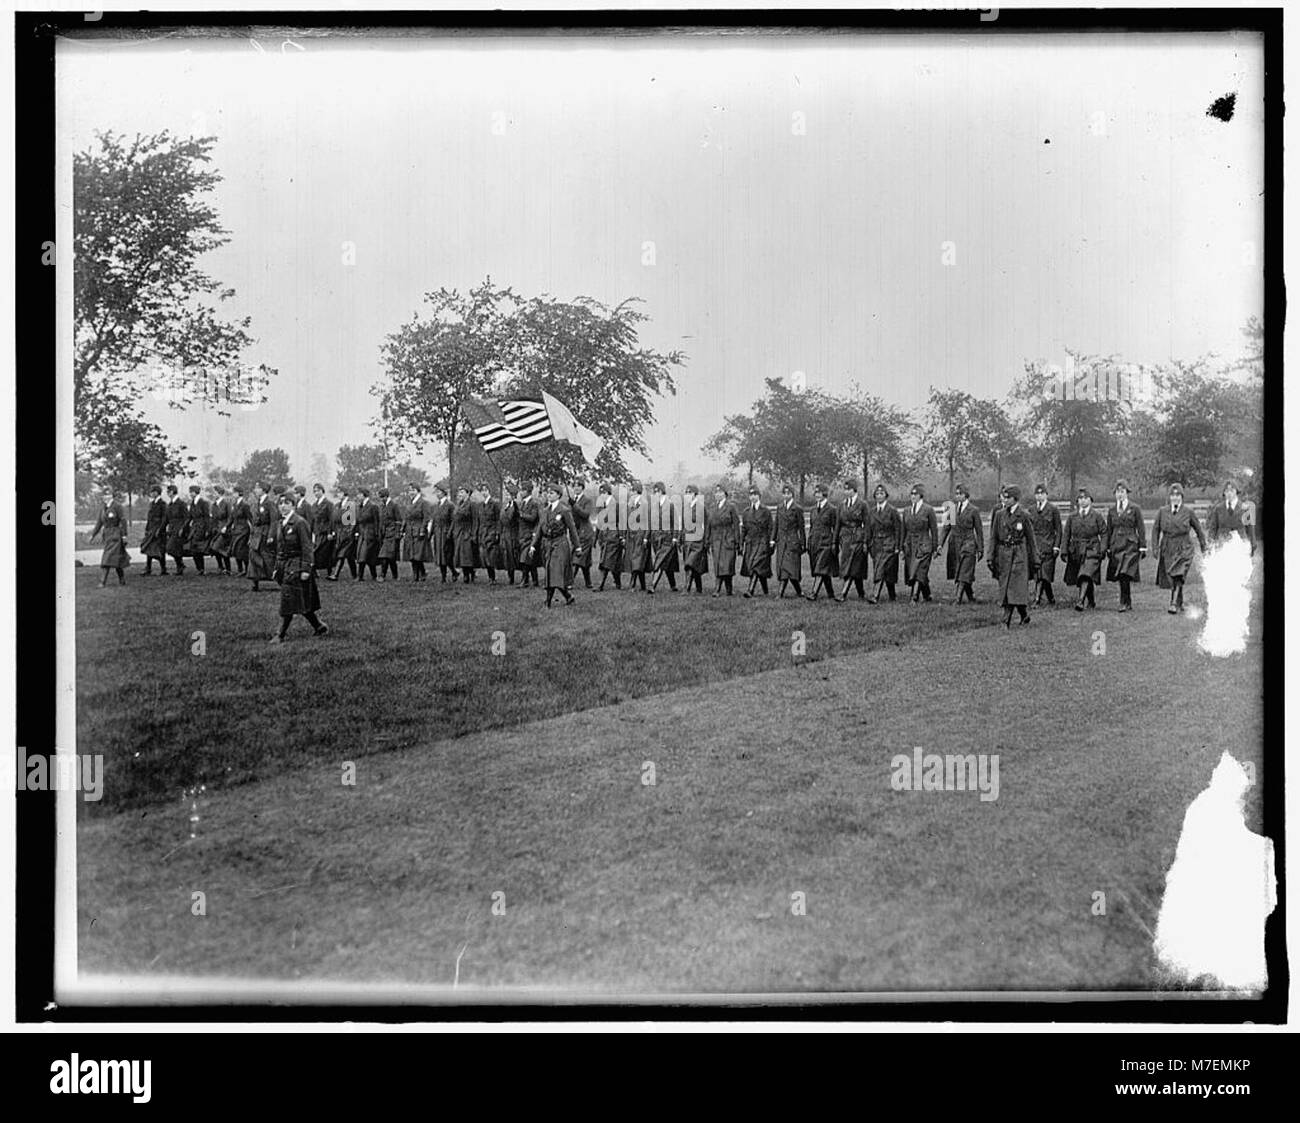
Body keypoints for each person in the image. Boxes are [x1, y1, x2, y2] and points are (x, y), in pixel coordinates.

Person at [268, 493, 328, 643]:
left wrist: (306, 570)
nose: (282, 506)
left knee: (287, 599)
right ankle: (319, 626)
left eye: (286, 503)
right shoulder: (280, 523)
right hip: (284, 565)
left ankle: (280, 634)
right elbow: (279, 548)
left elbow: (307, 548)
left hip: (297, 566)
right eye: (280, 503)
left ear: (293, 505)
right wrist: (277, 568)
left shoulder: (300, 523)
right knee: (299, 599)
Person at [1153, 482, 1208, 614]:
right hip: (1168, 547)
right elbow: (1155, 530)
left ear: (1182, 497)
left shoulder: (1188, 512)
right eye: (1173, 495)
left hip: (1184, 547)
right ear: (1169, 497)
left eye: (1178, 495)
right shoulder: (1162, 511)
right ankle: (1180, 602)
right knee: (1173, 575)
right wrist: (1155, 548)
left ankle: (1173, 604)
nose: (1175, 497)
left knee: (1178, 573)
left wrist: (1203, 546)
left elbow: (1199, 530)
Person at [993, 486, 1038, 628]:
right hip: (1004, 554)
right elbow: (993, 537)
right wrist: (990, 556)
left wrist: (1035, 559)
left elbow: (1031, 539)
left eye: (1008, 498)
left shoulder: (1024, 515)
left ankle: (1005, 620)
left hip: (1019, 554)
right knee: (1008, 586)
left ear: (1015, 499)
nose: (1004, 500)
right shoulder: (1000, 514)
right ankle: (1024, 614)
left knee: (1013, 587)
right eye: (1004, 497)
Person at [531, 483, 580, 607]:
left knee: (554, 571)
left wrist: (577, 546)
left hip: (560, 544)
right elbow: (539, 530)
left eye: (552, 493)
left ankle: (548, 602)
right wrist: (533, 545)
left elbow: (572, 529)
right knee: (551, 572)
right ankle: (568, 597)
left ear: (558, 495)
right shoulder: (545, 511)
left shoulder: (564, 510)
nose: (549, 495)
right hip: (548, 544)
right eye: (548, 493)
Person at [938, 483, 984, 604]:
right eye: (956, 494)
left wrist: (980, 548)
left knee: (964, 569)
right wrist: (940, 545)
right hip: (955, 544)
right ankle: (970, 596)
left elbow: (979, 531)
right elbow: (946, 528)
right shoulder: (952, 509)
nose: (958, 496)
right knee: (960, 570)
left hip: (968, 542)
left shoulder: (974, 510)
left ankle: (957, 598)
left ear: (966, 495)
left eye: (960, 494)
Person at [1062, 488, 1106, 610]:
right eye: (1080, 498)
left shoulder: (1097, 516)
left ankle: (1080, 601)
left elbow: (1104, 533)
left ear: (1091, 500)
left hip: (1092, 548)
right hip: (1076, 550)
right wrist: (1064, 551)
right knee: (1084, 575)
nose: (1083, 501)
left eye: (1085, 498)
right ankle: (1091, 601)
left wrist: (1103, 549)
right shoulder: (1072, 517)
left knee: (1085, 573)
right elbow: (1066, 534)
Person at [1106, 479, 1146, 612]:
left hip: (1130, 545)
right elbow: (1109, 529)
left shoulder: (1135, 508)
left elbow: (1141, 527)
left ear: (1127, 493)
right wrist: (1107, 547)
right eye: (1117, 492)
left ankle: (1124, 601)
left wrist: (1143, 546)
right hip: (1116, 545)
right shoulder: (1112, 510)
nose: (1120, 494)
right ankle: (1127, 601)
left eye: (1122, 491)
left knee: (1125, 572)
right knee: (1120, 574)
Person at [901, 484, 938, 604]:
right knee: (915, 570)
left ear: (920, 496)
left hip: (924, 544)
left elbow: (934, 529)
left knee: (919, 570)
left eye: (915, 494)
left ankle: (914, 596)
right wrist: (902, 547)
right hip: (910, 545)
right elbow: (903, 530)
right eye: (911, 494)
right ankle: (927, 595)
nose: (913, 496)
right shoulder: (907, 510)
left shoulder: (928, 510)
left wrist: (935, 546)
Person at [1026, 484, 1062, 607]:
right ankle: (1050, 598)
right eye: (1037, 494)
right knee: (1039, 573)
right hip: (1035, 546)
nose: (1039, 496)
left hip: (1048, 546)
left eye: (1042, 493)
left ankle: (1037, 599)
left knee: (1043, 573)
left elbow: (1058, 530)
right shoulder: (1031, 510)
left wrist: (1056, 546)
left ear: (1046, 494)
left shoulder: (1053, 509)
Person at [866, 484, 902, 603]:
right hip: (876, 544)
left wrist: (897, 546)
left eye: (881, 493)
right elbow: (868, 529)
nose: (879, 496)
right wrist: (868, 544)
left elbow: (898, 529)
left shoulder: (892, 511)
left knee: (880, 569)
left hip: (889, 543)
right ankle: (892, 595)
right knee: (885, 570)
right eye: (877, 494)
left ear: (886, 495)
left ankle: (875, 595)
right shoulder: (871, 512)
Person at [805, 483, 839, 602]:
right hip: (815, 541)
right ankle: (831, 593)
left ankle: (813, 593)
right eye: (816, 493)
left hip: (826, 542)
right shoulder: (813, 510)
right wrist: (809, 542)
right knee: (821, 568)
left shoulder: (832, 509)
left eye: (820, 493)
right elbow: (812, 526)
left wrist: (834, 543)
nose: (817, 495)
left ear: (825, 494)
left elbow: (836, 528)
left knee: (820, 567)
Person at [89, 486, 130, 587]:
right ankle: (122, 580)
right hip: (107, 536)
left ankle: (102, 581)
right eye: (104, 495)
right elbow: (99, 523)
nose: (105, 497)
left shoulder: (117, 506)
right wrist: (93, 535)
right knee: (116, 559)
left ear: (112, 496)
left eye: (108, 495)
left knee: (107, 558)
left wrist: (124, 535)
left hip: (116, 535)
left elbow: (123, 521)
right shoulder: (103, 508)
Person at [835, 480, 868, 601]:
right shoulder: (842, 505)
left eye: (849, 489)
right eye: (845, 489)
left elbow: (867, 524)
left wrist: (865, 541)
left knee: (853, 565)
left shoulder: (862, 504)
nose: (846, 492)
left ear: (854, 490)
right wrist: (835, 541)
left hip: (857, 537)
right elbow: (838, 524)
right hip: (845, 538)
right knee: (849, 565)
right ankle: (861, 592)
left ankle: (843, 594)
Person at [707, 483, 742, 597]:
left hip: (728, 539)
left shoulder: (731, 507)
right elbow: (709, 525)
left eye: (720, 492)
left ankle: (717, 589)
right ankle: (729, 589)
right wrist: (707, 540)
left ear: (725, 494)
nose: (718, 494)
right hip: (716, 540)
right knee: (719, 565)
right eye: (716, 492)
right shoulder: (712, 508)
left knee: (726, 565)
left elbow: (736, 525)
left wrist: (738, 542)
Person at [772, 484, 806, 599]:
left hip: (792, 541)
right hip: (781, 541)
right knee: (783, 567)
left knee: (790, 567)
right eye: (784, 493)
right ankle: (799, 591)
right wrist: (772, 539)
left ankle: (780, 593)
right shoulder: (780, 507)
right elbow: (776, 524)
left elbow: (801, 528)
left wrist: (803, 544)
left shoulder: (797, 508)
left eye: (788, 493)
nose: (786, 495)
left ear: (792, 494)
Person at [740, 486, 773, 598]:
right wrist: (741, 544)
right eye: (751, 495)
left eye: (755, 494)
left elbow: (770, 528)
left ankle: (750, 590)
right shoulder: (746, 512)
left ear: (759, 496)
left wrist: (771, 542)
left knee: (756, 565)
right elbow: (744, 529)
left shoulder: (765, 511)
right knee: (756, 567)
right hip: (750, 542)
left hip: (762, 542)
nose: (753, 497)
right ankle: (765, 591)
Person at [1207, 479, 1257, 554]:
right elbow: (1213, 528)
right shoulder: (1218, 508)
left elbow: (1250, 529)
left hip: (1240, 545)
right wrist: (1210, 543)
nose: (1229, 493)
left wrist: (1252, 544)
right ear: (1224, 493)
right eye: (1227, 491)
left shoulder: (1245, 508)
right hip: (1222, 545)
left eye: (1232, 490)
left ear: (1236, 491)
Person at [647, 481, 679, 593]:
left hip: (667, 537)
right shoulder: (653, 506)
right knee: (666, 562)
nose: (655, 494)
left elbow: (675, 522)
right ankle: (673, 585)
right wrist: (648, 536)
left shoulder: (670, 505)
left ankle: (652, 586)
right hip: (656, 538)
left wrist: (675, 537)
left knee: (659, 561)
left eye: (656, 492)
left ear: (661, 492)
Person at [246, 481, 275, 592]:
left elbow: (274, 521)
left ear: (263, 490)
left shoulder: (269, 503)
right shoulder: (257, 503)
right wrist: (251, 537)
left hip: (265, 534)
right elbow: (254, 522)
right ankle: (255, 582)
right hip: (256, 534)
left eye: (257, 488)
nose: (255, 490)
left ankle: (277, 578)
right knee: (253, 557)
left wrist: (271, 535)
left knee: (267, 558)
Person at [679, 484, 708, 594]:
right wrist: (680, 539)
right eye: (686, 493)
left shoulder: (701, 507)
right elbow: (682, 525)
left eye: (690, 493)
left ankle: (686, 588)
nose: (687, 495)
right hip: (687, 540)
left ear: (695, 494)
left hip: (697, 540)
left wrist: (706, 540)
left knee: (690, 563)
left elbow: (706, 525)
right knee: (692, 563)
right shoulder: (685, 508)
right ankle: (699, 588)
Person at [596, 483, 625, 591]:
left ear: (607, 493)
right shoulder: (601, 506)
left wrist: (621, 536)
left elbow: (621, 521)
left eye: (602, 493)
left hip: (614, 536)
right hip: (604, 536)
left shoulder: (616, 505)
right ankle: (618, 583)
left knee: (606, 561)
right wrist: (597, 537)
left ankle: (600, 585)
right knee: (613, 563)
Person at [624, 481, 652, 592]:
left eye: (632, 491)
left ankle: (632, 584)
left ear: (636, 492)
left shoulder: (644, 503)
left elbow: (648, 522)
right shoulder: (631, 504)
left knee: (637, 559)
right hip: (632, 535)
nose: (631, 493)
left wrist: (646, 537)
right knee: (636, 560)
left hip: (640, 534)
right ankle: (643, 585)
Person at [474, 482, 504, 585]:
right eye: (482, 490)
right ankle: (490, 577)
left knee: (491, 556)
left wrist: (497, 533)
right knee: (484, 555)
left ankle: (493, 577)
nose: (484, 492)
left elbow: (498, 520)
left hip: (491, 532)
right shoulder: (481, 505)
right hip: (483, 532)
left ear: (489, 491)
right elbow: (480, 521)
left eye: (486, 490)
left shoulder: (495, 503)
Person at [570, 480, 597, 590]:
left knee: (577, 557)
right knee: (584, 561)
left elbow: (585, 515)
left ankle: (569, 582)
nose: (576, 488)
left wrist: (574, 506)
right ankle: (588, 583)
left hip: (585, 533)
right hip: (576, 533)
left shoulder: (587, 500)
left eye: (578, 486)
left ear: (582, 488)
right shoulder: (572, 500)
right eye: (574, 486)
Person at [402, 482, 432, 581]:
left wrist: (423, 529)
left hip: (419, 530)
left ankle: (419, 574)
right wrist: (403, 530)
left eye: (413, 490)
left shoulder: (423, 503)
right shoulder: (409, 503)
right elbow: (406, 518)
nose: (411, 492)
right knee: (412, 554)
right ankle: (418, 574)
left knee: (418, 554)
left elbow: (426, 517)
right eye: (409, 490)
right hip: (410, 531)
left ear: (418, 491)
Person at [329, 486, 358, 581]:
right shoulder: (337, 505)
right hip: (339, 533)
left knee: (341, 554)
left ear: (345, 493)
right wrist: (333, 531)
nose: (338, 494)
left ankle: (335, 575)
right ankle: (355, 575)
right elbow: (334, 519)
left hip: (347, 533)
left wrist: (350, 531)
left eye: (340, 492)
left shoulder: (350, 504)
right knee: (349, 557)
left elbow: (352, 520)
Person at [515, 480, 540, 588]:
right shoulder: (522, 503)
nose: (521, 492)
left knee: (526, 558)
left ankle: (524, 580)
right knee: (530, 559)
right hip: (522, 534)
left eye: (523, 490)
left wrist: (521, 515)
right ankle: (534, 580)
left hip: (530, 534)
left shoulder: (533, 503)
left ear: (528, 491)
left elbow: (533, 518)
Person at [429, 484, 455, 582]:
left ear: (444, 493)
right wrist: (430, 534)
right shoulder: (436, 506)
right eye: (436, 492)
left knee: (446, 556)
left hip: (446, 533)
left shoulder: (450, 505)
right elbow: (434, 521)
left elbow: (453, 520)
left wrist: (449, 533)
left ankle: (453, 572)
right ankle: (443, 577)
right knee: (439, 556)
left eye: (439, 492)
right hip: (437, 533)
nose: (437, 494)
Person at [140, 485, 168, 575]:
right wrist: (147, 528)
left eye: (153, 492)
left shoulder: (163, 504)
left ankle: (163, 569)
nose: (151, 493)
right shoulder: (152, 504)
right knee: (149, 548)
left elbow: (164, 518)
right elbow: (149, 517)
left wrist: (160, 529)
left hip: (158, 529)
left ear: (157, 492)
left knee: (160, 550)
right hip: (151, 528)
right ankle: (148, 568)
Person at [452, 485, 478, 583]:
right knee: (461, 555)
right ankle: (465, 574)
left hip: (468, 531)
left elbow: (475, 520)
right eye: (459, 492)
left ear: (468, 493)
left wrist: (474, 534)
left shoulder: (472, 505)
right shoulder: (459, 504)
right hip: (460, 532)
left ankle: (470, 574)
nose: (460, 494)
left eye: (462, 492)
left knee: (468, 555)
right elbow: (455, 517)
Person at [376, 487, 403, 581]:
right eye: (380, 497)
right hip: (384, 534)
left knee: (386, 555)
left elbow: (399, 520)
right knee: (389, 556)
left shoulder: (394, 505)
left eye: (382, 497)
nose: (381, 499)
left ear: (387, 496)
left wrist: (397, 534)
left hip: (392, 533)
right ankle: (395, 575)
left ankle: (382, 575)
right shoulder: (382, 506)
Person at [354, 487, 381, 581]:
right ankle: (373, 576)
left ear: (364, 495)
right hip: (362, 533)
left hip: (370, 534)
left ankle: (360, 576)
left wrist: (376, 534)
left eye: (359, 494)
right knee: (366, 556)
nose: (357, 496)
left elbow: (377, 521)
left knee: (364, 555)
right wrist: (356, 532)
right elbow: (358, 521)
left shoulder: (373, 506)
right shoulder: (359, 506)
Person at [310, 483, 335, 579]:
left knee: (326, 553)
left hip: (325, 532)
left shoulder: (328, 504)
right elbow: (313, 520)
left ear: (322, 491)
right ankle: (314, 570)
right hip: (317, 532)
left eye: (317, 491)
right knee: (316, 552)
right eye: (314, 491)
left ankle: (330, 572)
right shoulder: (314, 505)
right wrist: (311, 532)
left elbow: (331, 519)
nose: (316, 493)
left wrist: (330, 532)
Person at [184, 484, 211, 575]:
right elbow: (189, 517)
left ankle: (201, 568)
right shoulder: (192, 503)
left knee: (198, 548)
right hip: (194, 527)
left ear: (196, 492)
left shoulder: (203, 503)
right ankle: (199, 568)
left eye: (191, 492)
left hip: (202, 527)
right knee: (193, 548)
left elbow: (207, 517)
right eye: (190, 492)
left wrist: (207, 530)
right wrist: (184, 526)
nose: (190, 494)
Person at [207, 485, 233, 575]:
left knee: (219, 548)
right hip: (216, 529)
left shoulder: (226, 503)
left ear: (220, 493)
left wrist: (226, 527)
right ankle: (220, 567)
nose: (213, 494)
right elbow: (212, 518)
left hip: (224, 530)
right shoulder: (213, 505)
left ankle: (228, 568)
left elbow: (230, 517)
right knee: (216, 548)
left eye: (215, 492)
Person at [164, 484, 189, 575]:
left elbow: (186, 518)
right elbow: (166, 519)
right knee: (172, 549)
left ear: (173, 492)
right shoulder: (170, 504)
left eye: (169, 491)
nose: (167, 493)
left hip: (179, 530)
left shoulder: (181, 504)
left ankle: (180, 565)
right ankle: (180, 566)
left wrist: (182, 529)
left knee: (171, 548)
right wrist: (162, 528)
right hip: (171, 529)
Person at [499, 482, 520, 584]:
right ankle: (510, 576)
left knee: (513, 555)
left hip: (513, 534)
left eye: (509, 495)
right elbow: (501, 520)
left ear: (513, 496)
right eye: (506, 494)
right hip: (505, 533)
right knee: (506, 555)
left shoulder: (515, 507)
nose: (507, 496)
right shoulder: (504, 507)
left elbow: (512, 518)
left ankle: (515, 577)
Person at [229, 485, 252, 577]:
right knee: (235, 550)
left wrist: (253, 531)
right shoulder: (234, 505)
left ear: (239, 493)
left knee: (241, 550)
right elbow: (231, 518)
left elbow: (250, 518)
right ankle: (240, 569)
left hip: (243, 530)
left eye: (234, 492)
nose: (233, 494)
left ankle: (246, 569)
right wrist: (227, 526)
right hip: (236, 530)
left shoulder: (245, 505)